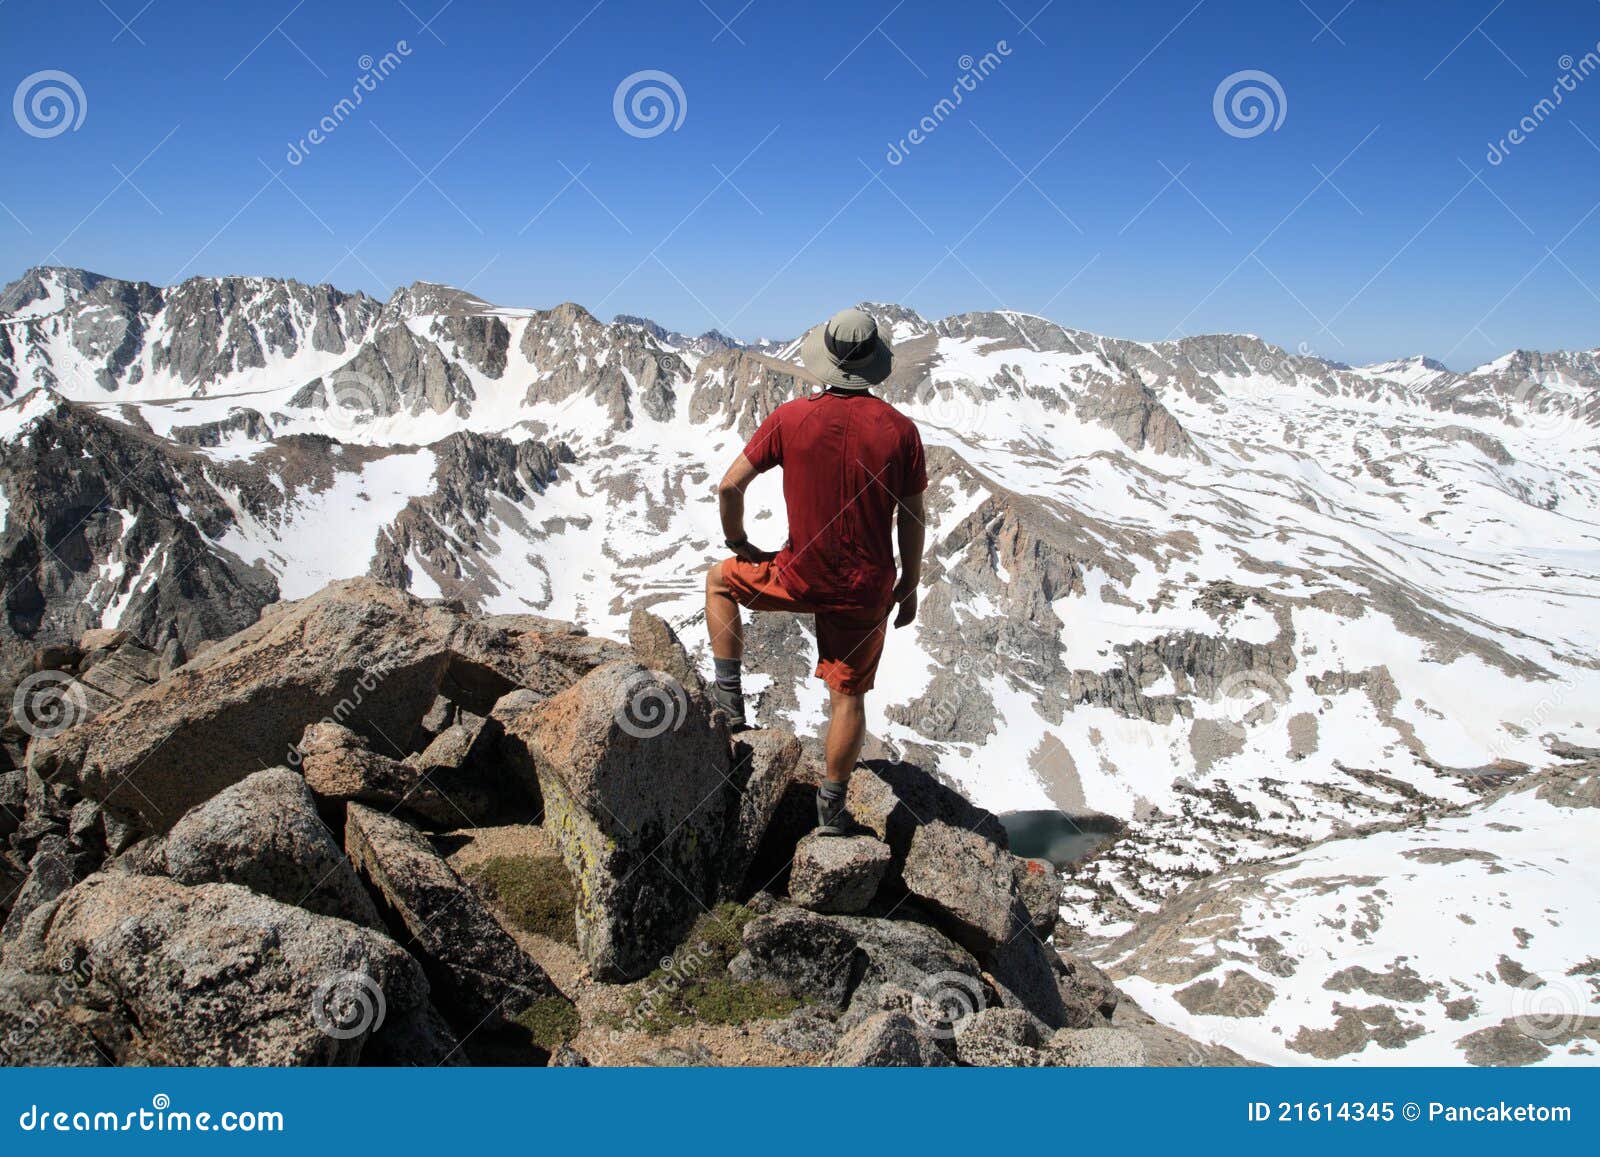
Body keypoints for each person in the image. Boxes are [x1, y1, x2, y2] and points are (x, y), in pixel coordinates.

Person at [704, 307, 927, 835]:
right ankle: (831, 808)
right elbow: (912, 516)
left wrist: (738, 542)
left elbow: (729, 486)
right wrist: (909, 582)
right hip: (864, 591)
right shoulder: (900, 432)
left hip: (796, 574)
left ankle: (729, 703)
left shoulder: (790, 419)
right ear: (873, 365)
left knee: (719, 580)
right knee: (847, 697)